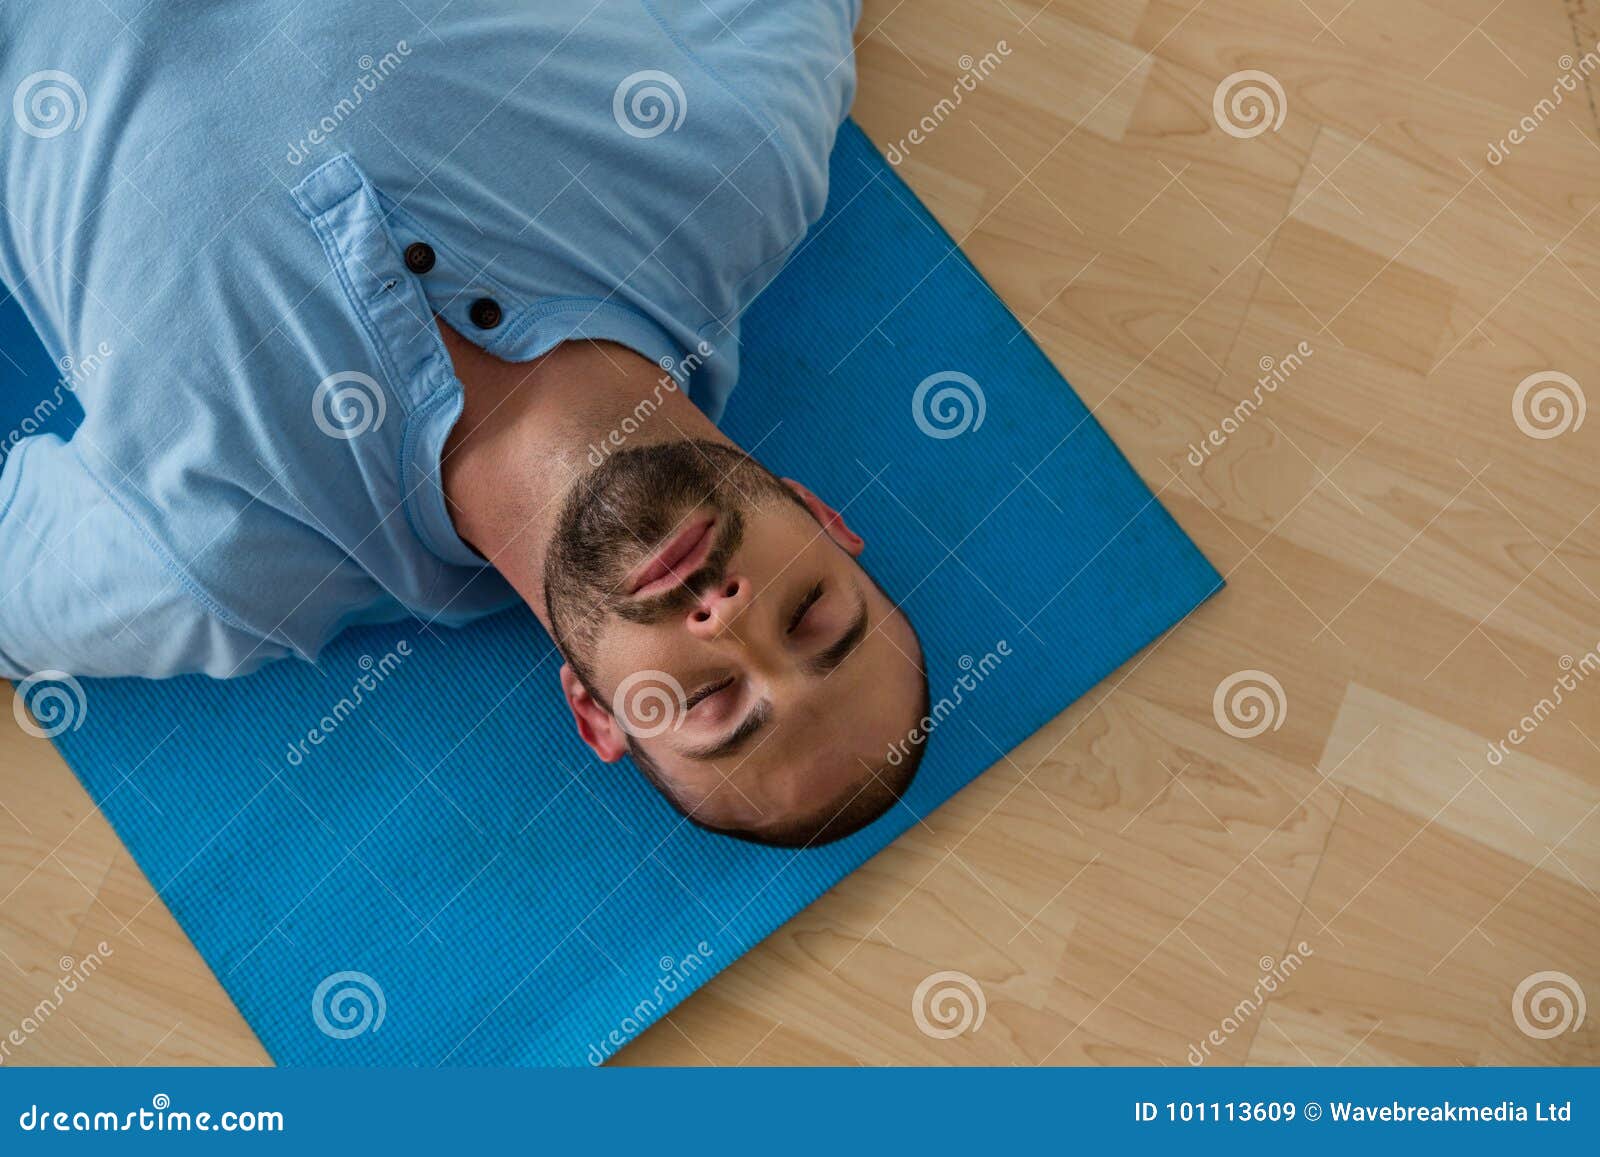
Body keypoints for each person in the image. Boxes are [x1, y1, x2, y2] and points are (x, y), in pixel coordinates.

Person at [0, 0, 930, 847]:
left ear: (596, 711)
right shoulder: (745, 149)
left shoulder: (224, 564)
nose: (730, 619)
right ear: (820, 517)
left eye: (714, 698)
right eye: (809, 614)